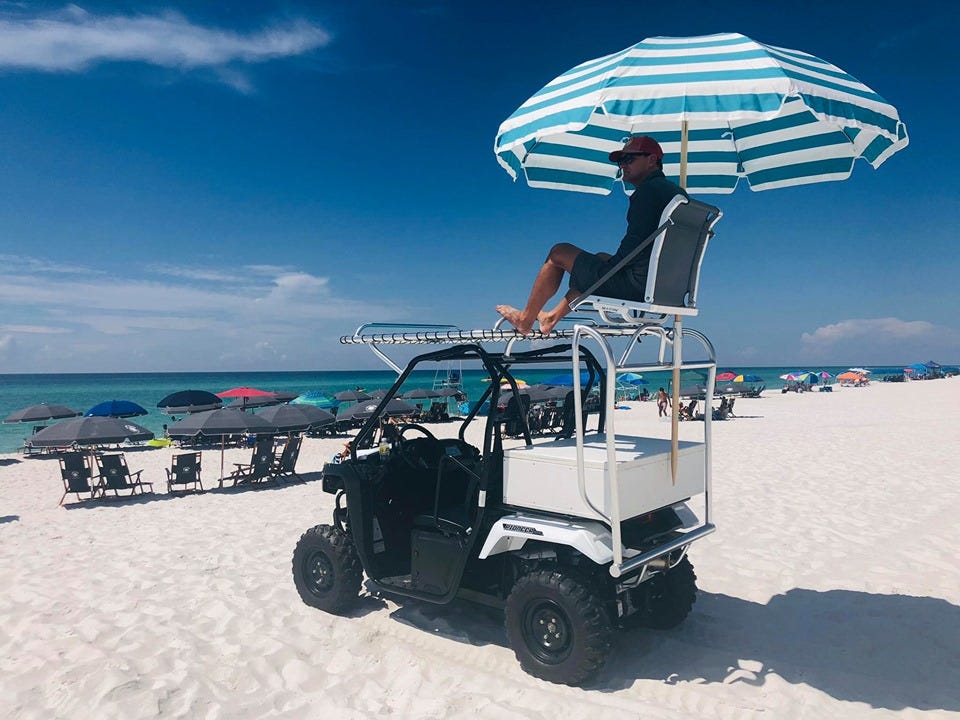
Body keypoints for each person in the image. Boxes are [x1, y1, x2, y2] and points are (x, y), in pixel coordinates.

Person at [496, 136, 687, 336]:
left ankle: (525, 320)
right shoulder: (678, 195)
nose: (622, 165)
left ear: (651, 160)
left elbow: (633, 244)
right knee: (598, 260)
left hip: (637, 288)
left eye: (629, 159)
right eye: (620, 161)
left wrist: (608, 269)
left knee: (559, 252)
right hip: (666, 289)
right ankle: (550, 318)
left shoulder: (647, 193)